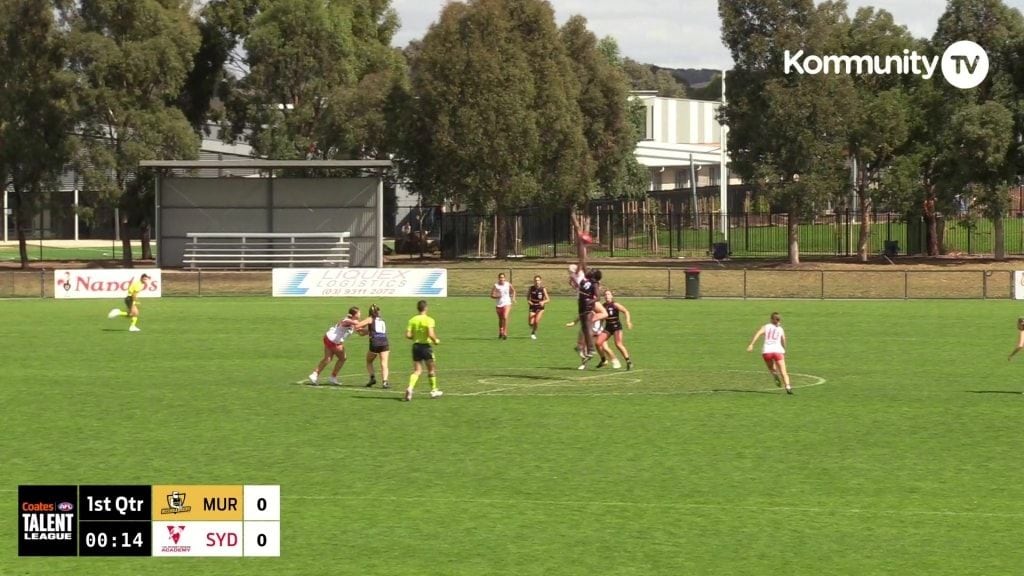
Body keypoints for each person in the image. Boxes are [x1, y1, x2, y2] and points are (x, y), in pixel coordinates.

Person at [309, 307, 360, 386]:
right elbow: (345, 322)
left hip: (329, 338)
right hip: (333, 341)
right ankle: (333, 377)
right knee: (342, 358)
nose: (360, 314)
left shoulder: (353, 322)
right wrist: (369, 321)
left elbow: (360, 330)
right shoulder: (347, 320)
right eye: (359, 313)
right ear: (354, 314)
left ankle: (314, 374)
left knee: (328, 359)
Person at [746, 312, 792, 394]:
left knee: (772, 369)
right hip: (778, 351)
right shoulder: (780, 329)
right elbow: (783, 340)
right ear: (778, 320)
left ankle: (774, 375)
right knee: (783, 371)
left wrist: (751, 344)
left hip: (767, 351)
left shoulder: (766, 327)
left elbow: (758, 334)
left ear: (771, 319)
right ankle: (788, 387)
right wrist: (784, 349)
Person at [405, 299, 442, 401]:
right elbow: (430, 334)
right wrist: (436, 340)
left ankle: (410, 388)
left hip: (416, 346)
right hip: (426, 347)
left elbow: (407, 335)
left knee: (417, 371)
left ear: (418, 308)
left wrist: (416, 336)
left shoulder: (412, 320)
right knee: (431, 370)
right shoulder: (429, 320)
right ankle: (434, 390)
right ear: (426, 308)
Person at [595, 290, 634, 370]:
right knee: (598, 343)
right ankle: (603, 360)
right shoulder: (603, 306)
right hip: (608, 327)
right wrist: (599, 327)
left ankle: (628, 361)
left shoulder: (615, 304)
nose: (607, 296)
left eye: (608, 294)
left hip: (616, 327)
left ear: (612, 296)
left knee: (618, 344)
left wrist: (628, 321)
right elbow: (602, 318)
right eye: (605, 294)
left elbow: (626, 311)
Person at [357, 304, 390, 389]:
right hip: (384, 342)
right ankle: (385, 382)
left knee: (369, 361)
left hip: (375, 342)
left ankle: (372, 378)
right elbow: (373, 330)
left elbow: (358, 325)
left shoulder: (370, 319)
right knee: (384, 363)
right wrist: (365, 331)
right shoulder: (382, 320)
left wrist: (360, 329)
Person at [490, 272, 515, 339]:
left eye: (503, 277)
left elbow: (513, 291)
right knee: (501, 319)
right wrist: (497, 296)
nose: (502, 279)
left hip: (507, 303)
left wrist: (513, 298)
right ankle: (500, 331)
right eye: (500, 277)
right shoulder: (496, 285)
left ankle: (505, 332)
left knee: (505, 317)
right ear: (498, 278)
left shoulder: (508, 284)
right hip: (499, 304)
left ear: (505, 278)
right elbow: (491, 295)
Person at [526, 275, 550, 340]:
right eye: (535, 280)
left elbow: (548, 299)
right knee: (531, 323)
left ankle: (533, 333)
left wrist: (543, 302)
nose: (537, 281)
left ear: (540, 281)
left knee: (536, 321)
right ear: (534, 281)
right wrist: (529, 301)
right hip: (532, 306)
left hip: (540, 307)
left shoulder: (543, 289)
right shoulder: (531, 288)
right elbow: (528, 297)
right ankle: (533, 327)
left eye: (538, 280)